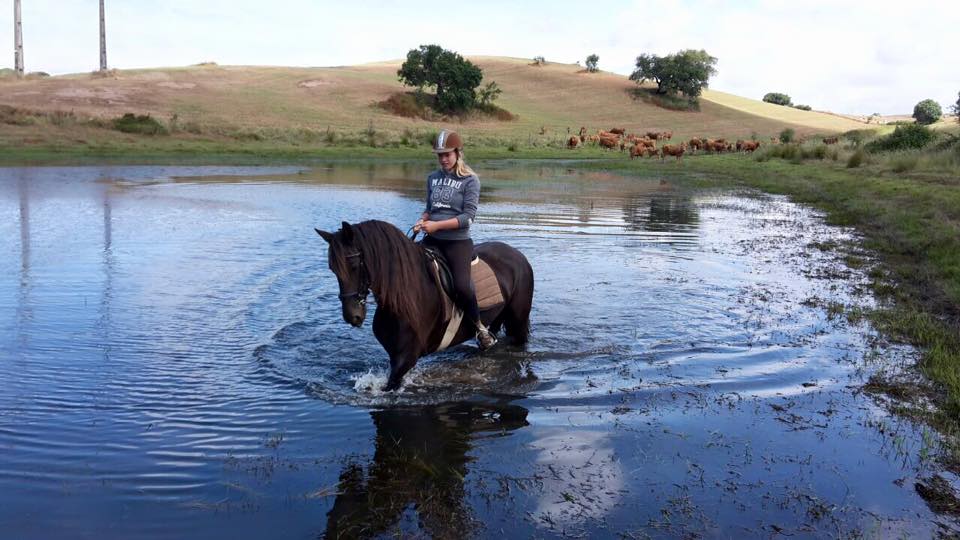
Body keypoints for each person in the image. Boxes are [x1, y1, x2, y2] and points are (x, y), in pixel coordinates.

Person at [414, 129, 497, 350]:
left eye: (447, 154)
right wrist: (422, 220)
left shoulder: (470, 181)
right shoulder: (433, 178)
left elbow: (468, 218)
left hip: (457, 243)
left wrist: (436, 226)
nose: (443, 159)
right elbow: (430, 209)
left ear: (458, 153)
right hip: (431, 238)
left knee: (462, 285)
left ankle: (480, 328)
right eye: (440, 155)